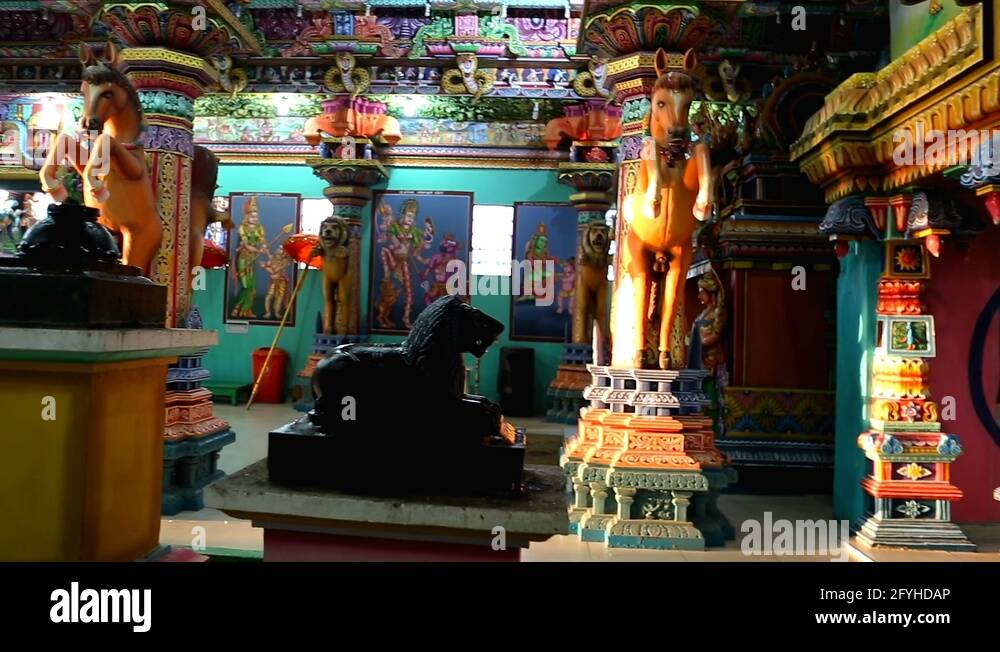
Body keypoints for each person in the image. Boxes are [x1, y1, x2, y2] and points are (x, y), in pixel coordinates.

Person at [231, 196, 266, 318]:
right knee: (246, 286)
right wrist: (257, 250)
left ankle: (246, 310)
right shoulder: (242, 228)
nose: (254, 218)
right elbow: (245, 244)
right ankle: (238, 309)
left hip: (253, 261)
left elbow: (263, 242)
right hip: (244, 259)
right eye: (252, 215)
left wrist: (264, 248)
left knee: (252, 288)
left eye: (256, 215)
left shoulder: (260, 228)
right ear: (247, 215)